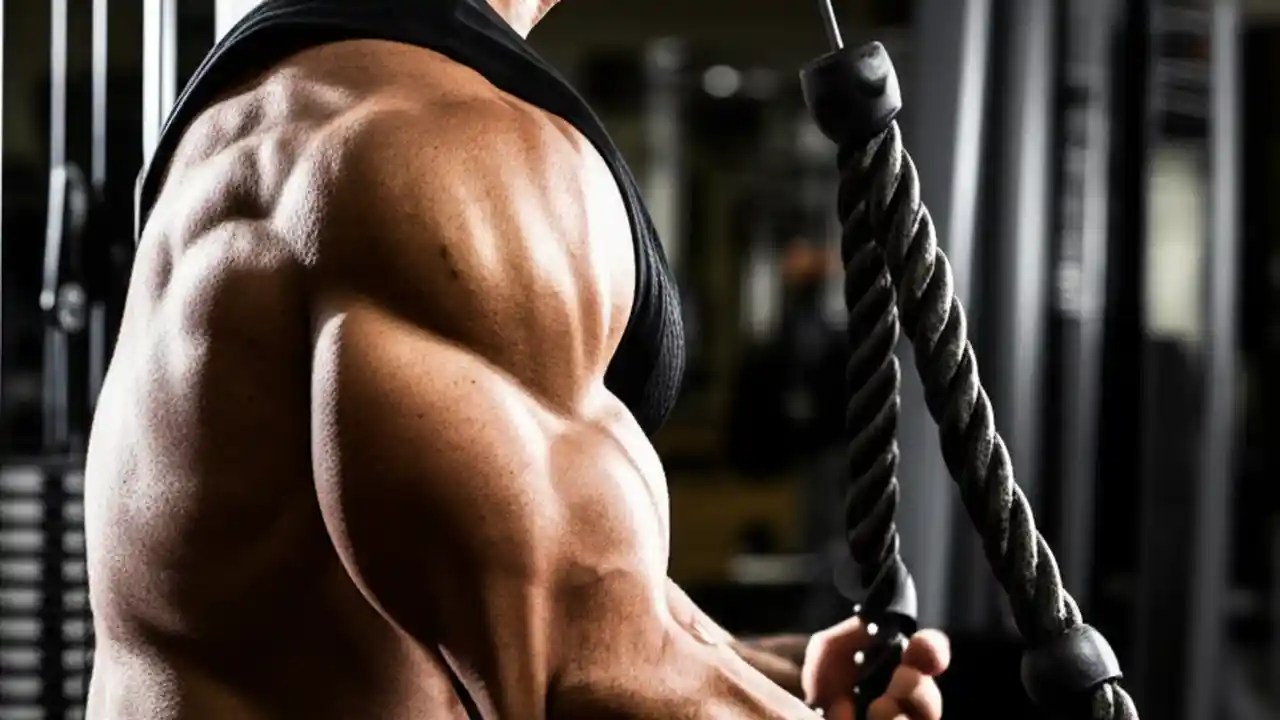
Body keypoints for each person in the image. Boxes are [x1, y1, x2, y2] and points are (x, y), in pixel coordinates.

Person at [83, 1, 949, 718]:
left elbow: (504, 608)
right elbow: (584, 678)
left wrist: (769, 678)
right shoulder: (449, 149)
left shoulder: (263, 118)